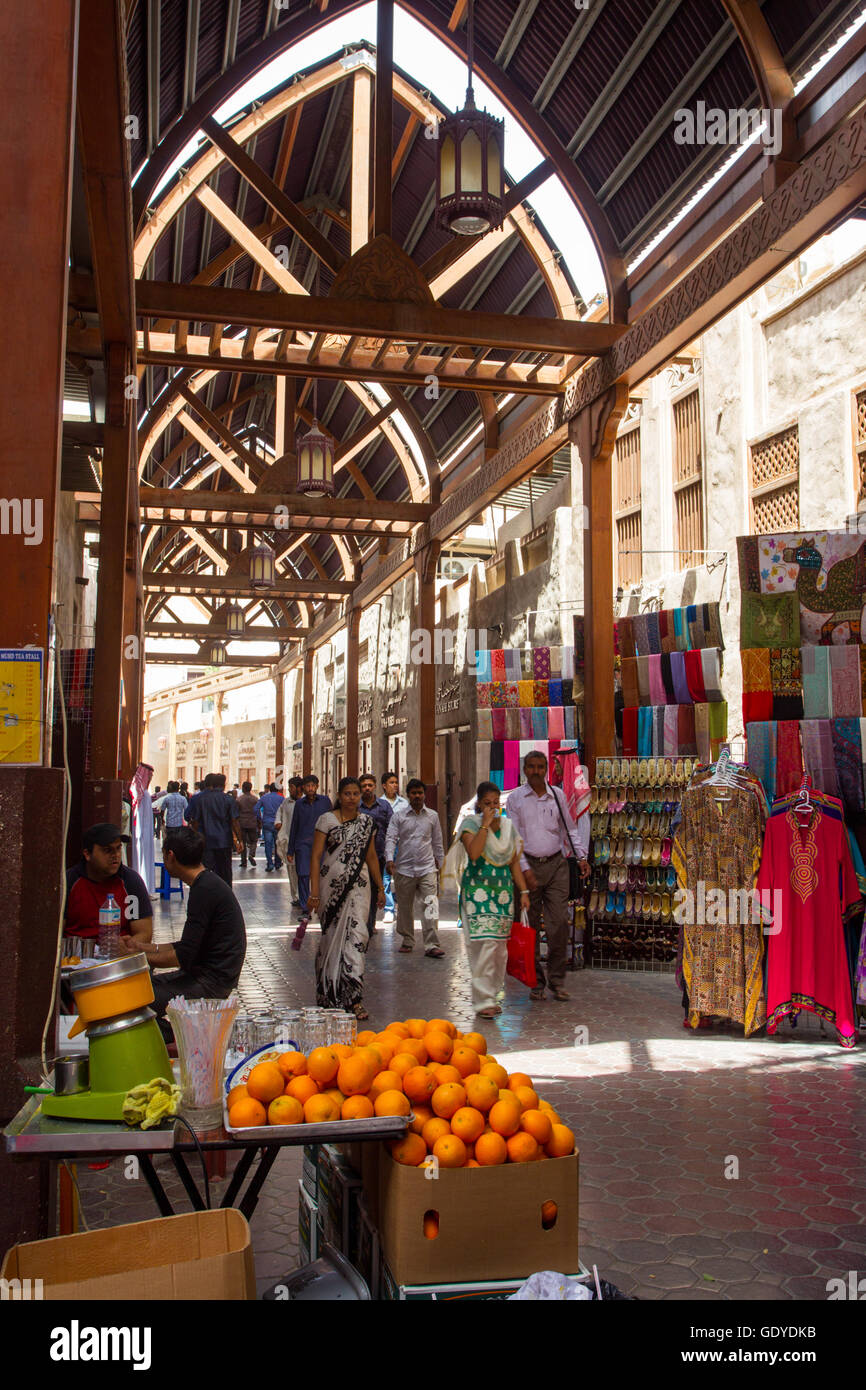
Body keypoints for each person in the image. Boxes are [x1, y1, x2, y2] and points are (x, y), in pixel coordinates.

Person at [120, 826, 246, 1033]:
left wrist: (137, 954)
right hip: (204, 975)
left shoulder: (204, 890)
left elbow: (183, 956)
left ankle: (179, 1040)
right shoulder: (206, 883)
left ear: (170, 856)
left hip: (210, 982)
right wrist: (142, 947)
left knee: (134, 1000)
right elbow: (188, 945)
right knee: (137, 988)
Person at [505, 750, 590, 1002]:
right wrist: (524, 869)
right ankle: (537, 983)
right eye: (531, 767)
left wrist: (582, 856)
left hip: (556, 866)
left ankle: (557, 980)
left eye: (541, 767)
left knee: (558, 925)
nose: (536, 771)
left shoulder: (558, 795)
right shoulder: (516, 799)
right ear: (524, 770)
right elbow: (513, 837)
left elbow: (569, 828)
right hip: (527, 867)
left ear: (546, 770)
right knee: (529, 928)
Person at [443, 783, 530, 1019]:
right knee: (483, 945)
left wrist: (523, 892)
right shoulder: (470, 825)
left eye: (496, 803)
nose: (493, 808)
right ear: (479, 804)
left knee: (499, 950)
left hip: (502, 895)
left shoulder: (508, 827)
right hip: (477, 895)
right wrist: (485, 825)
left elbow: (513, 862)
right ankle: (484, 1001)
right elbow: (473, 853)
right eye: (488, 803)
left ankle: (492, 994)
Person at [308, 777, 385, 1021]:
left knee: (357, 939)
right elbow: (316, 856)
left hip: (360, 889)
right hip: (331, 889)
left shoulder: (366, 823)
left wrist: (380, 887)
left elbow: (371, 856)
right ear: (339, 796)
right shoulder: (327, 820)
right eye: (347, 794)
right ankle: (329, 996)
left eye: (356, 794)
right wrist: (314, 893)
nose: (352, 798)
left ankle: (354, 999)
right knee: (331, 941)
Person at [64, 824, 153, 947]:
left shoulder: (131, 882)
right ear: (87, 854)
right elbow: (54, 932)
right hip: (76, 959)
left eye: (118, 848)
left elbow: (144, 933)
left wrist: (125, 946)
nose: (115, 855)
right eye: (107, 850)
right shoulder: (68, 882)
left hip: (118, 959)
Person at [385, 779, 445, 957]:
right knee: (404, 907)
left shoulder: (432, 816)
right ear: (408, 795)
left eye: (420, 793)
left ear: (424, 795)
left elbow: (437, 842)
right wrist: (389, 859)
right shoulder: (399, 816)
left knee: (430, 905)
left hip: (427, 869)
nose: (417, 796)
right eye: (414, 793)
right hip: (404, 869)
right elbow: (390, 838)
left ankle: (432, 944)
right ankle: (407, 939)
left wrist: (441, 865)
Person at [287, 775, 332, 914]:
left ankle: (322, 906)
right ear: (304, 788)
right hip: (303, 845)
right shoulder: (299, 804)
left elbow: (332, 822)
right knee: (303, 875)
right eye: (308, 786)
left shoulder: (325, 802)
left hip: (323, 845)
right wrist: (290, 850)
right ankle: (305, 908)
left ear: (317, 786)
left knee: (323, 875)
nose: (310, 788)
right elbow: (294, 825)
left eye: (313, 785)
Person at [185, 772, 240, 885]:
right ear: (223, 785)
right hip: (224, 841)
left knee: (206, 871)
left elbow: (194, 820)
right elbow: (234, 821)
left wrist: (196, 836)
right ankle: (225, 895)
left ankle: (208, 895)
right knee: (225, 871)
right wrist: (240, 839)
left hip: (206, 841)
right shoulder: (228, 799)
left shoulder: (200, 799)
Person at [359, 774, 393, 935]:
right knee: (360, 890)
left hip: (378, 855)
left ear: (375, 787)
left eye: (370, 785)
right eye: (364, 785)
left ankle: (370, 924)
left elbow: (392, 830)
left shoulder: (384, 806)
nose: (367, 788)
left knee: (374, 889)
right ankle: (359, 922)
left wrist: (390, 854)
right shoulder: (356, 807)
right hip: (358, 856)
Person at [380, 772, 408, 925]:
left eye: (396, 782)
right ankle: (389, 910)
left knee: (401, 877)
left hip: (401, 844)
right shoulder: (380, 803)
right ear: (384, 785)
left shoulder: (404, 803)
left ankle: (401, 907)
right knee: (385, 878)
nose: (395, 785)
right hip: (386, 845)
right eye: (391, 782)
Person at [275, 778, 303, 905]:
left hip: (302, 841)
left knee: (303, 870)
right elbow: (279, 815)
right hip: (288, 839)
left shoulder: (305, 802)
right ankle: (296, 896)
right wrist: (278, 823)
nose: (290, 789)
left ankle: (304, 894)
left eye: (292, 787)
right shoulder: (287, 802)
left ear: (298, 788)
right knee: (291, 870)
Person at [256, 782, 284, 872]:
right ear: (277, 789)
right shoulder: (281, 798)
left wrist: (259, 819)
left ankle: (270, 864)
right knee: (277, 844)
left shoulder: (264, 797)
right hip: (278, 824)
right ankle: (278, 863)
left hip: (267, 823)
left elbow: (255, 809)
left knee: (268, 844)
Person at [236, 781, 260, 867]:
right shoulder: (255, 799)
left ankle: (243, 861)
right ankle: (251, 854)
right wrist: (259, 823)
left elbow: (236, 812)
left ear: (243, 788)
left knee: (242, 841)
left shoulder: (239, 799)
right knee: (254, 840)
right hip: (252, 822)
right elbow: (258, 812)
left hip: (242, 823)